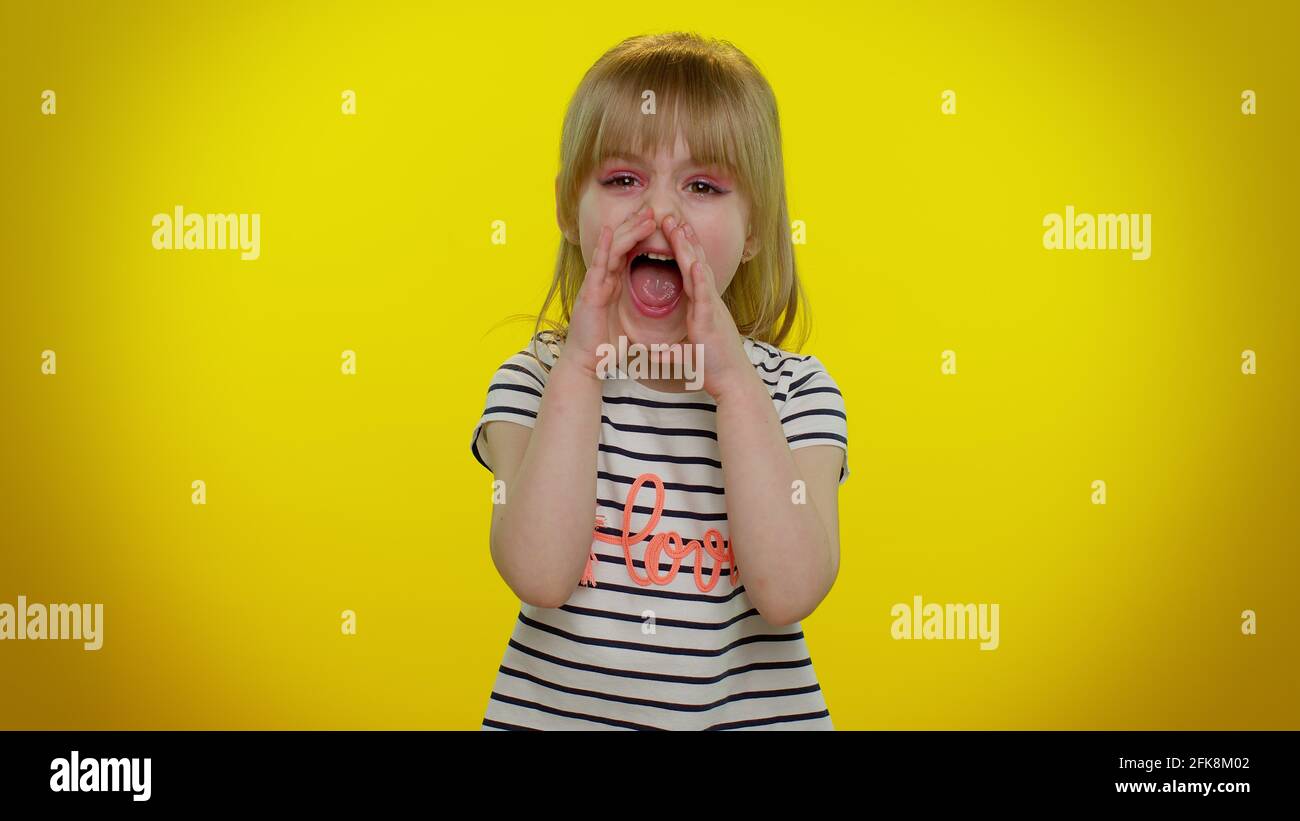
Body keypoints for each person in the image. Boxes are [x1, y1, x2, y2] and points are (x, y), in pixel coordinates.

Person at [470, 32, 849, 730]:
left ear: (758, 225)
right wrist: (581, 370)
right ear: (565, 207)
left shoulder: (798, 395)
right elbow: (540, 574)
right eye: (623, 180)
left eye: (703, 186)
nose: (663, 215)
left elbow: (789, 589)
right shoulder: (532, 382)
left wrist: (734, 384)